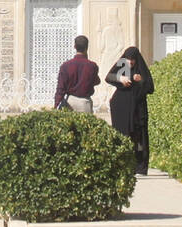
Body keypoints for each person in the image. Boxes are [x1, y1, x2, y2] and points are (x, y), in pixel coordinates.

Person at [106, 46, 156, 175]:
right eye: (128, 59)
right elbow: (109, 77)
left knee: (139, 137)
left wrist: (140, 81)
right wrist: (120, 78)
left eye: (132, 59)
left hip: (138, 109)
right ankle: (122, 164)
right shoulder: (122, 65)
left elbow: (150, 87)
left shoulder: (141, 69)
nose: (130, 62)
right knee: (122, 134)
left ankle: (140, 165)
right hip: (122, 108)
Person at [54, 35, 101, 113]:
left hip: (70, 102)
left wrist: (56, 105)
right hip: (85, 102)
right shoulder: (92, 66)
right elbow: (96, 81)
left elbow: (61, 88)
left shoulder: (66, 66)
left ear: (74, 46)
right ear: (87, 47)